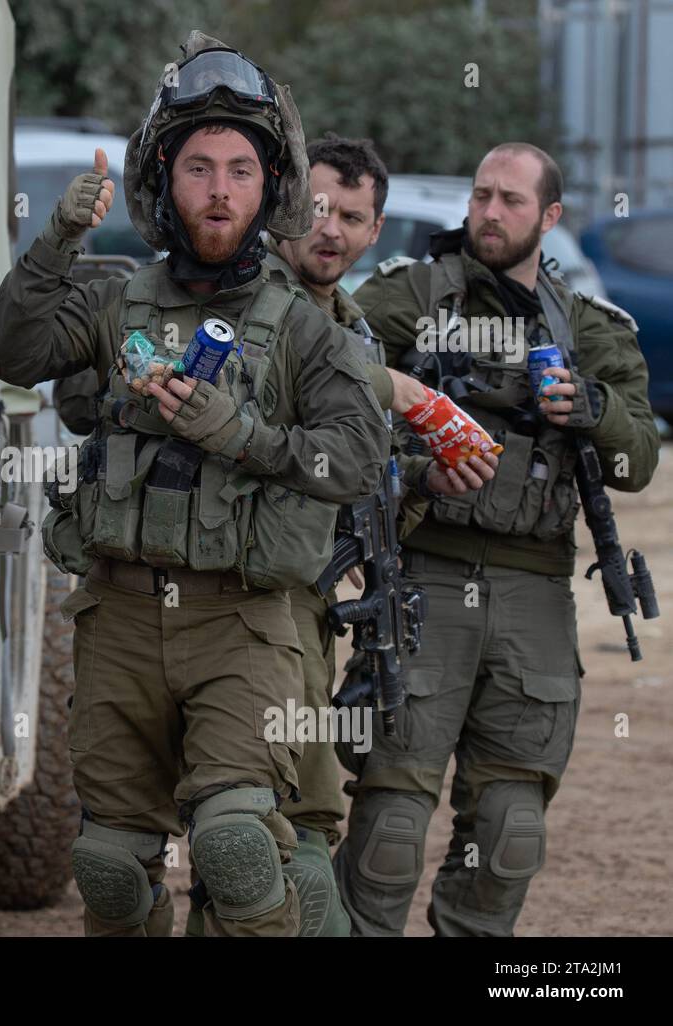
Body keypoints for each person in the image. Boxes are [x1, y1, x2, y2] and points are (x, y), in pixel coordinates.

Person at [0, 31, 389, 937]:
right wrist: (56, 239)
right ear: (164, 180)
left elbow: (355, 457)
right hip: (118, 615)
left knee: (239, 849)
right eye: (198, 167)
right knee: (111, 870)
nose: (218, 189)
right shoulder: (117, 298)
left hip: (242, 622)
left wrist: (239, 433)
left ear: (269, 187)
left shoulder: (304, 328)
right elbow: (7, 352)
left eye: (241, 170)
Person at [334, 142, 658, 935]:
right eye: (481, 195)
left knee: (512, 828)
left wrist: (592, 408)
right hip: (427, 578)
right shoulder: (412, 296)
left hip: (535, 597)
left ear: (549, 217)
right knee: (392, 824)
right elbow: (326, 372)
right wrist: (412, 448)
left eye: (511, 200)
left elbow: (638, 460)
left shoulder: (589, 328)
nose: (488, 212)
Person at [254, 133, 499, 935]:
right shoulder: (247, 302)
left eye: (352, 218)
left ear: (374, 232)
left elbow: (364, 486)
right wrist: (402, 393)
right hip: (231, 603)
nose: (331, 230)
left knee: (291, 822)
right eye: (319, 208)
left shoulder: (356, 331)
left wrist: (425, 477)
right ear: (288, 204)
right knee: (250, 827)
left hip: (306, 611)